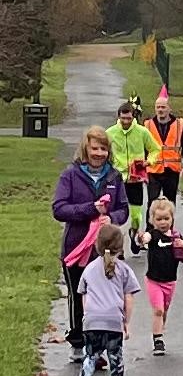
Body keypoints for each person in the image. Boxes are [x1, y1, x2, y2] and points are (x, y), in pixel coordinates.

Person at [52, 127, 128, 363]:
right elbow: (59, 209)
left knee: (103, 299)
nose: (98, 153)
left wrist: (112, 218)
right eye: (94, 148)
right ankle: (78, 343)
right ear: (85, 149)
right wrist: (89, 210)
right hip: (76, 249)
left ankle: (97, 347)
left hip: (106, 251)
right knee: (78, 296)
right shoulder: (70, 175)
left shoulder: (114, 177)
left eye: (103, 149)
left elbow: (123, 209)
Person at [73, 224, 140, 376]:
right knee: (115, 357)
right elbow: (128, 297)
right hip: (113, 321)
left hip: (92, 321)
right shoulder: (124, 270)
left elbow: (84, 295)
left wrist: (87, 317)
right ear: (120, 247)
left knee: (91, 356)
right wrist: (126, 321)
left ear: (97, 245)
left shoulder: (89, 269)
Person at [106, 103, 160, 256]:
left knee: (136, 215)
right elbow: (102, 151)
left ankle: (133, 232)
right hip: (117, 178)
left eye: (129, 118)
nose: (126, 122)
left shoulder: (142, 132)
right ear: (118, 117)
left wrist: (149, 162)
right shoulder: (110, 133)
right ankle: (118, 247)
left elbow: (155, 149)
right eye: (123, 118)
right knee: (116, 214)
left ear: (133, 117)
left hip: (135, 179)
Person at [138, 197, 183, 356]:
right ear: (152, 220)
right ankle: (158, 340)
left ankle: (160, 329)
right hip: (154, 280)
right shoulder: (153, 235)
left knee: (164, 311)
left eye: (166, 218)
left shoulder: (176, 237)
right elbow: (144, 239)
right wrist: (141, 239)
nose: (163, 222)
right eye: (158, 219)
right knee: (158, 310)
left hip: (170, 281)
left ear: (172, 218)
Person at [143, 85, 183, 221]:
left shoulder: (179, 125)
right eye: (158, 107)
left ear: (169, 108)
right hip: (153, 170)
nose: (160, 110)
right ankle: (150, 232)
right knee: (152, 204)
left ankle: (169, 232)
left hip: (172, 171)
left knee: (170, 204)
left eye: (163, 107)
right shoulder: (147, 125)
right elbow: (143, 148)